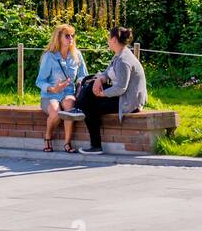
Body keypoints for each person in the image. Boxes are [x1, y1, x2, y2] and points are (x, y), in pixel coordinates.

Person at [73, 25, 146, 155]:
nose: (107, 41)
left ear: (113, 39)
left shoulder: (124, 60)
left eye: (108, 38)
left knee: (90, 107)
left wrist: (103, 94)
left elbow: (121, 88)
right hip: (122, 96)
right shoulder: (119, 56)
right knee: (90, 87)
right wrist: (99, 80)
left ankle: (95, 146)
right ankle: (78, 107)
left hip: (128, 102)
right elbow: (107, 73)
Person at [35, 24, 87, 153]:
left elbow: (83, 76)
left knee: (69, 104)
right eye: (67, 36)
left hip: (68, 92)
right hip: (50, 95)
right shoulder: (49, 56)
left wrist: (80, 85)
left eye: (72, 36)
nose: (71, 39)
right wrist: (53, 89)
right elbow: (39, 81)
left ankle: (67, 143)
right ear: (58, 37)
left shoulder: (77, 55)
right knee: (55, 110)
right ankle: (47, 138)